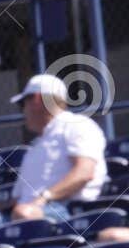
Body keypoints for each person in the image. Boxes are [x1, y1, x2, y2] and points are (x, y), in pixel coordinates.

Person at [7, 74, 106, 222]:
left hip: (67, 210)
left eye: (23, 103)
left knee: (24, 214)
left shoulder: (77, 125)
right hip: (23, 212)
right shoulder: (36, 145)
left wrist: (42, 199)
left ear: (36, 99)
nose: (23, 111)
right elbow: (14, 203)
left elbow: (84, 172)